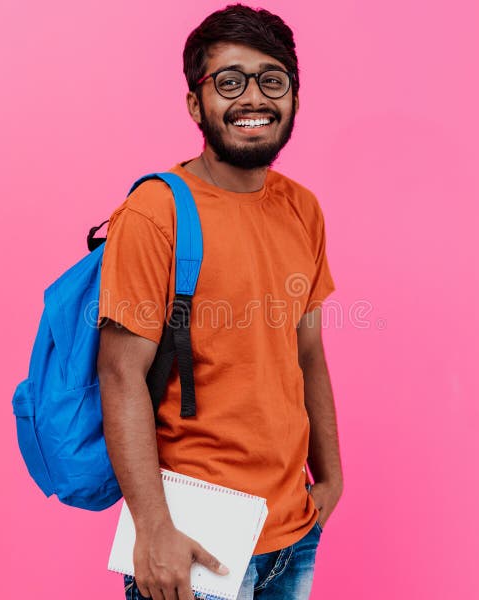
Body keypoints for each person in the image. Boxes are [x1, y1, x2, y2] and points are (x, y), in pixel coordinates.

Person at [97, 4, 343, 599]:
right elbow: (120, 372)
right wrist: (153, 530)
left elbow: (307, 350)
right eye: (229, 81)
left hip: (293, 531)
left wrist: (331, 481)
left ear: (294, 96)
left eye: (271, 79)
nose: (252, 98)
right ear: (194, 104)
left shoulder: (302, 208)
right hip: (193, 534)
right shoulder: (155, 213)